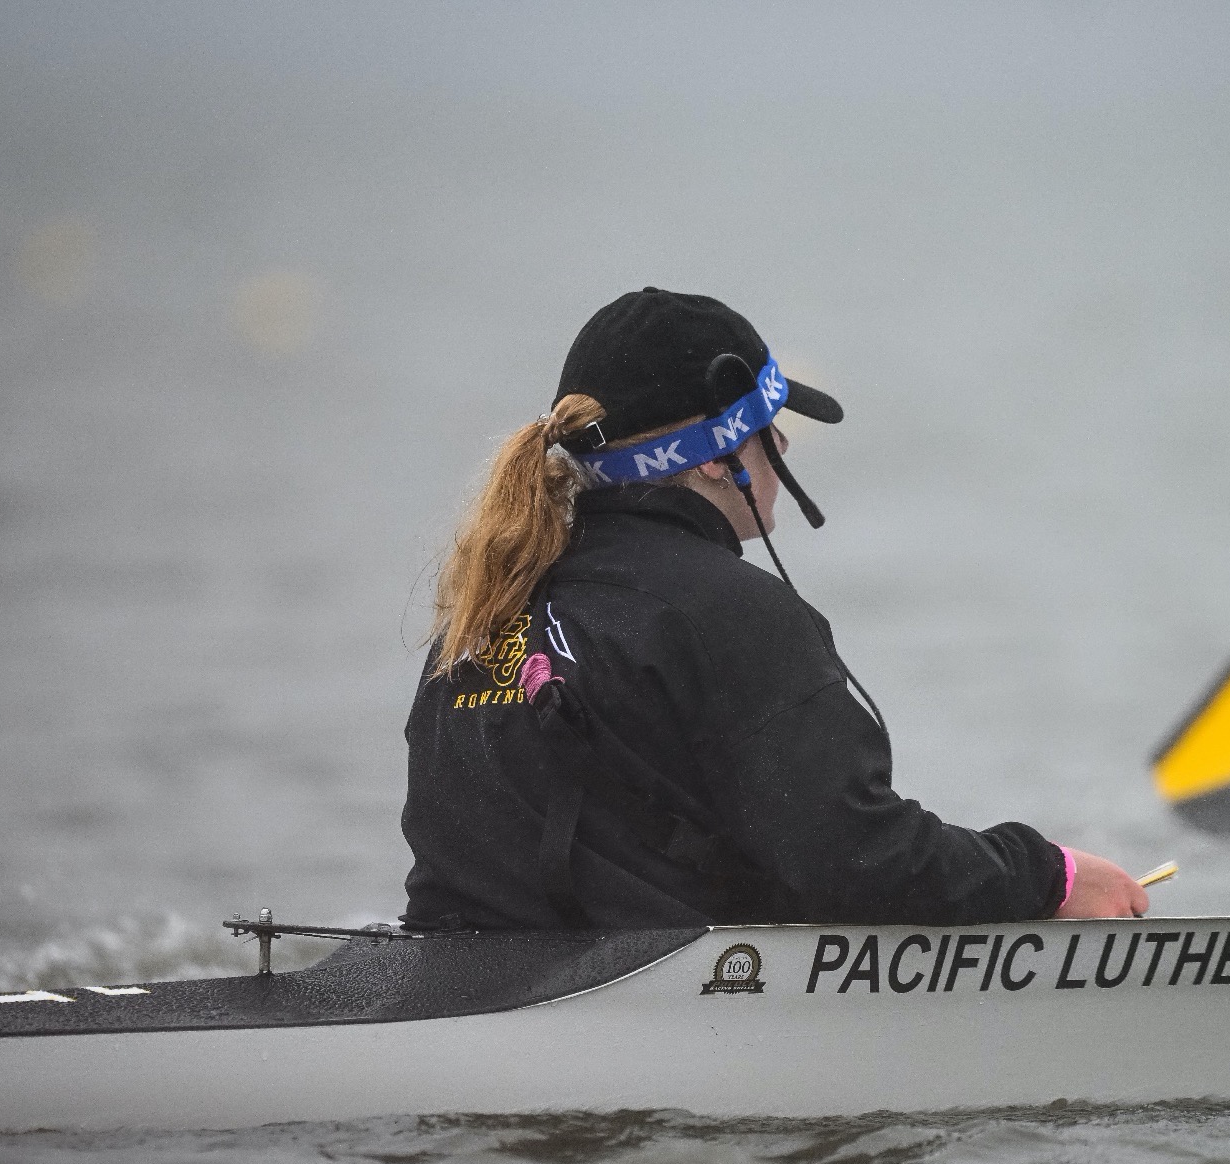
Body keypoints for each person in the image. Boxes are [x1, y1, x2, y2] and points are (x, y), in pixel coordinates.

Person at [401, 288, 1148, 930]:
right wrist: (1051, 876)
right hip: (649, 1022)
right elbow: (863, 864)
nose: (782, 442)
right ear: (714, 454)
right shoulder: (731, 613)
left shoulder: (484, 609)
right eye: (766, 427)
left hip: (461, 995)